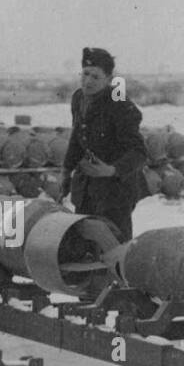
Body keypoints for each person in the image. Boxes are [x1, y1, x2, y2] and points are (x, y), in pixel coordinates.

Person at [60, 47, 147, 242]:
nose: (88, 81)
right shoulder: (79, 98)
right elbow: (77, 136)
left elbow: (139, 152)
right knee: (84, 240)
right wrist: (66, 171)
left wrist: (111, 170)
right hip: (88, 186)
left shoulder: (119, 103)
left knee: (114, 245)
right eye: (85, 74)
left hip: (117, 189)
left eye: (96, 77)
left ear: (109, 79)